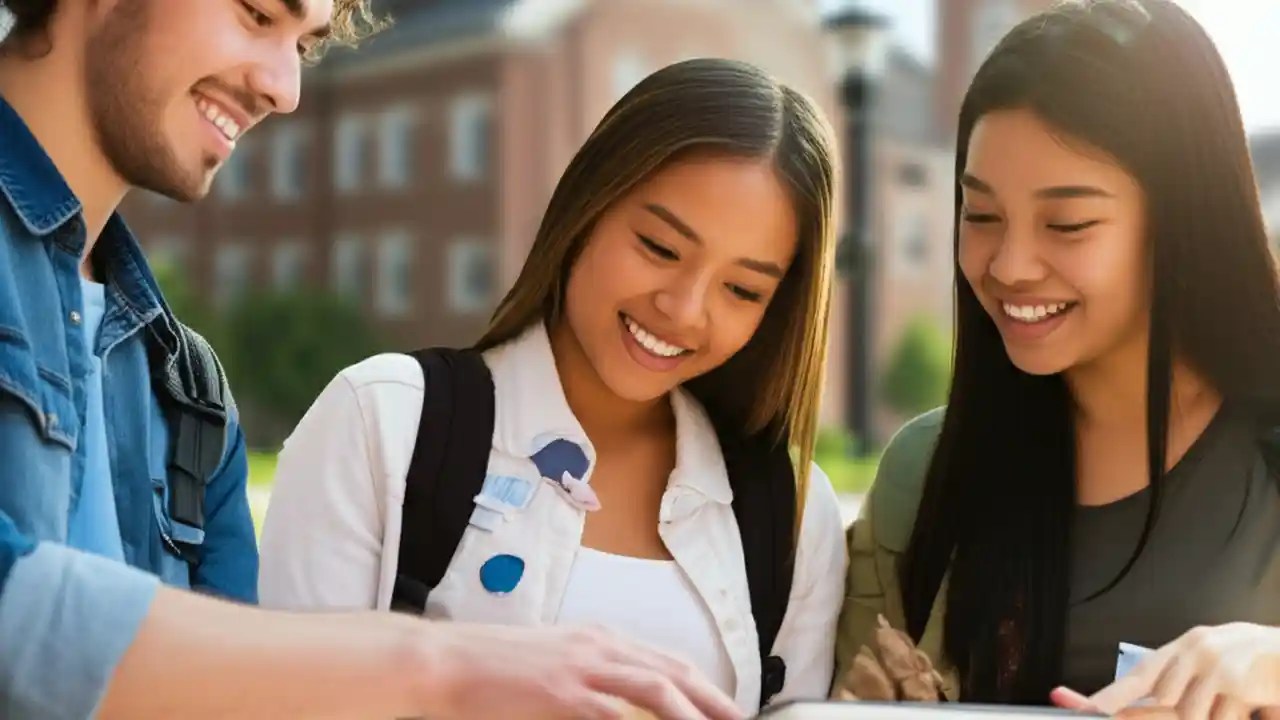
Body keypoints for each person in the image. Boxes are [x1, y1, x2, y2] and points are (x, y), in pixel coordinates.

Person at [0, 2, 742, 719]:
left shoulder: (186, 392)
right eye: (256, 15)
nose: (282, 89)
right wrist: (436, 667)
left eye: (303, 45)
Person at [258, 57, 849, 715]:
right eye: (659, 247)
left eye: (742, 289)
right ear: (587, 206)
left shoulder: (794, 512)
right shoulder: (381, 423)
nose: (684, 309)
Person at [832, 0, 1280, 717]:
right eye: (980, 215)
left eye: (1067, 224)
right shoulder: (921, 479)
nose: (1008, 266)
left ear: (1180, 222)